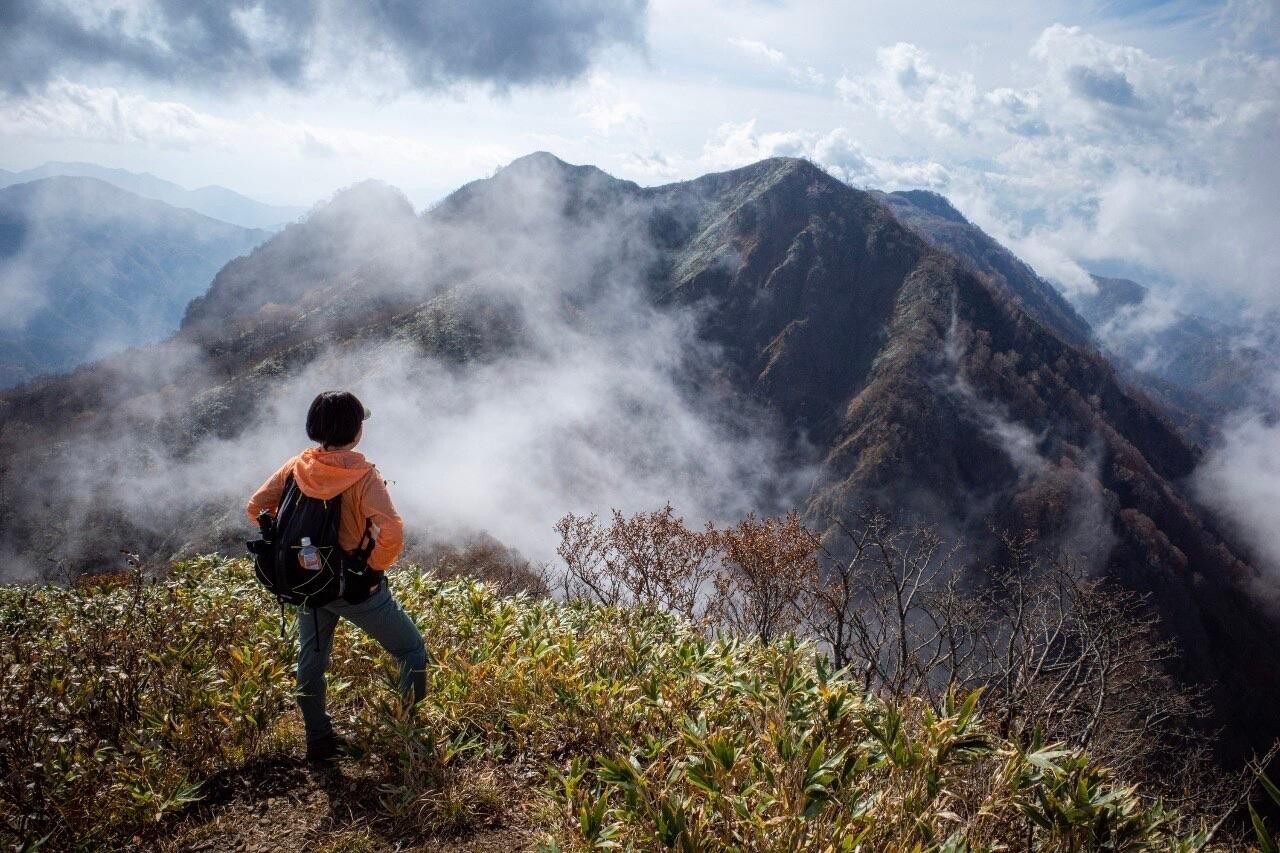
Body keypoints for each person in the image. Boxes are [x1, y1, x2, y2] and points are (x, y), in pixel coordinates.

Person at [246, 390, 427, 764]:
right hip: (353, 586)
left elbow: (256, 506)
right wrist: (372, 570)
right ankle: (408, 730)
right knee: (411, 651)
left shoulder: (299, 465)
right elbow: (391, 530)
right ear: (356, 431)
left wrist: (295, 538)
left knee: (312, 661)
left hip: (307, 584)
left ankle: (319, 743)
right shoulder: (363, 476)